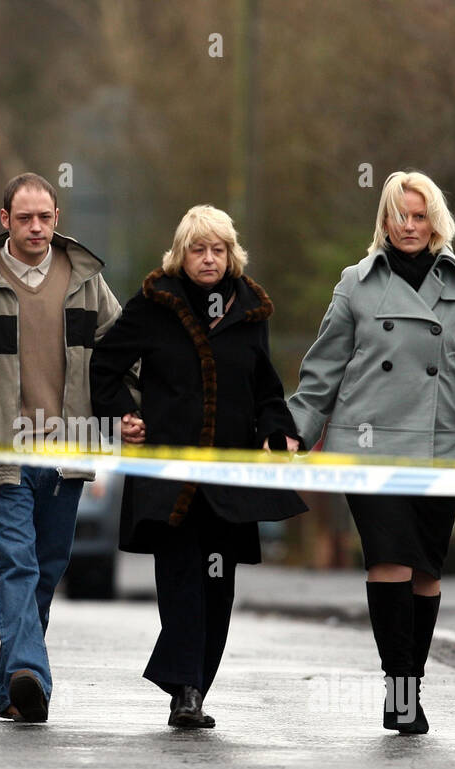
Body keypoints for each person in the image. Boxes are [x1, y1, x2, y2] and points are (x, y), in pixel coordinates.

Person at [288, 170, 455, 734]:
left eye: (420, 216)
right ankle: (400, 690)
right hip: (366, 447)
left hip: (441, 448)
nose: (410, 225)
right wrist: (296, 427)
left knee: (426, 571)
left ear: (434, 221)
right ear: (385, 222)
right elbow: (323, 368)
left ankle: (410, 684)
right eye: (400, 215)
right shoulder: (356, 284)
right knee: (388, 560)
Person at [91, 205, 308, 728]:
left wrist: (276, 430)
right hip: (171, 478)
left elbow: (265, 388)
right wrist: (124, 413)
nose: (208, 259)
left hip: (228, 480)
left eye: (218, 249)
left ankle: (195, 687)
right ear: (180, 254)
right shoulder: (154, 304)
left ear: (231, 255)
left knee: (218, 587)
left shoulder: (251, 310)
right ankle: (184, 692)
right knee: (183, 579)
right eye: (198, 249)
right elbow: (104, 365)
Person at [0, 172, 130, 723]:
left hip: (69, 449)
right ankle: (32, 676)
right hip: (1, 448)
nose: (36, 227)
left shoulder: (86, 280)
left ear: (57, 218)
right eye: (25, 218)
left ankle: (12, 686)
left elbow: (121, 354)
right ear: (4, 221)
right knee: (16, 562)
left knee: (47, 566)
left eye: (45, 217)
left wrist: (133, 412)